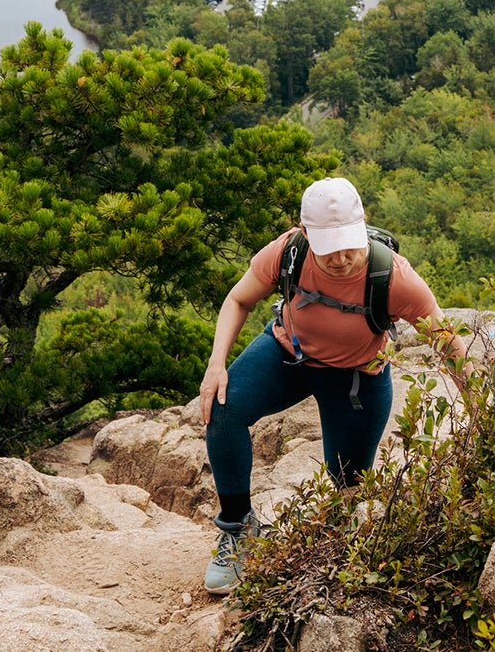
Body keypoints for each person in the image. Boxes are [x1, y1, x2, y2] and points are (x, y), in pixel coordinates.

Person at [197, 176, 468, 595]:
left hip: (356, 379)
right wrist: (216, 365)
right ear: (306, 234)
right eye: (328, 249)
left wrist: (480, 404)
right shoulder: (288, 252)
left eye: (349, 245)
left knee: (349, 492)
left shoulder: (393, 277)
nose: (341, 259)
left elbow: (447, 341)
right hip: (289, 354)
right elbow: (239, 299)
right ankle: (238, 530)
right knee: (223, 408)